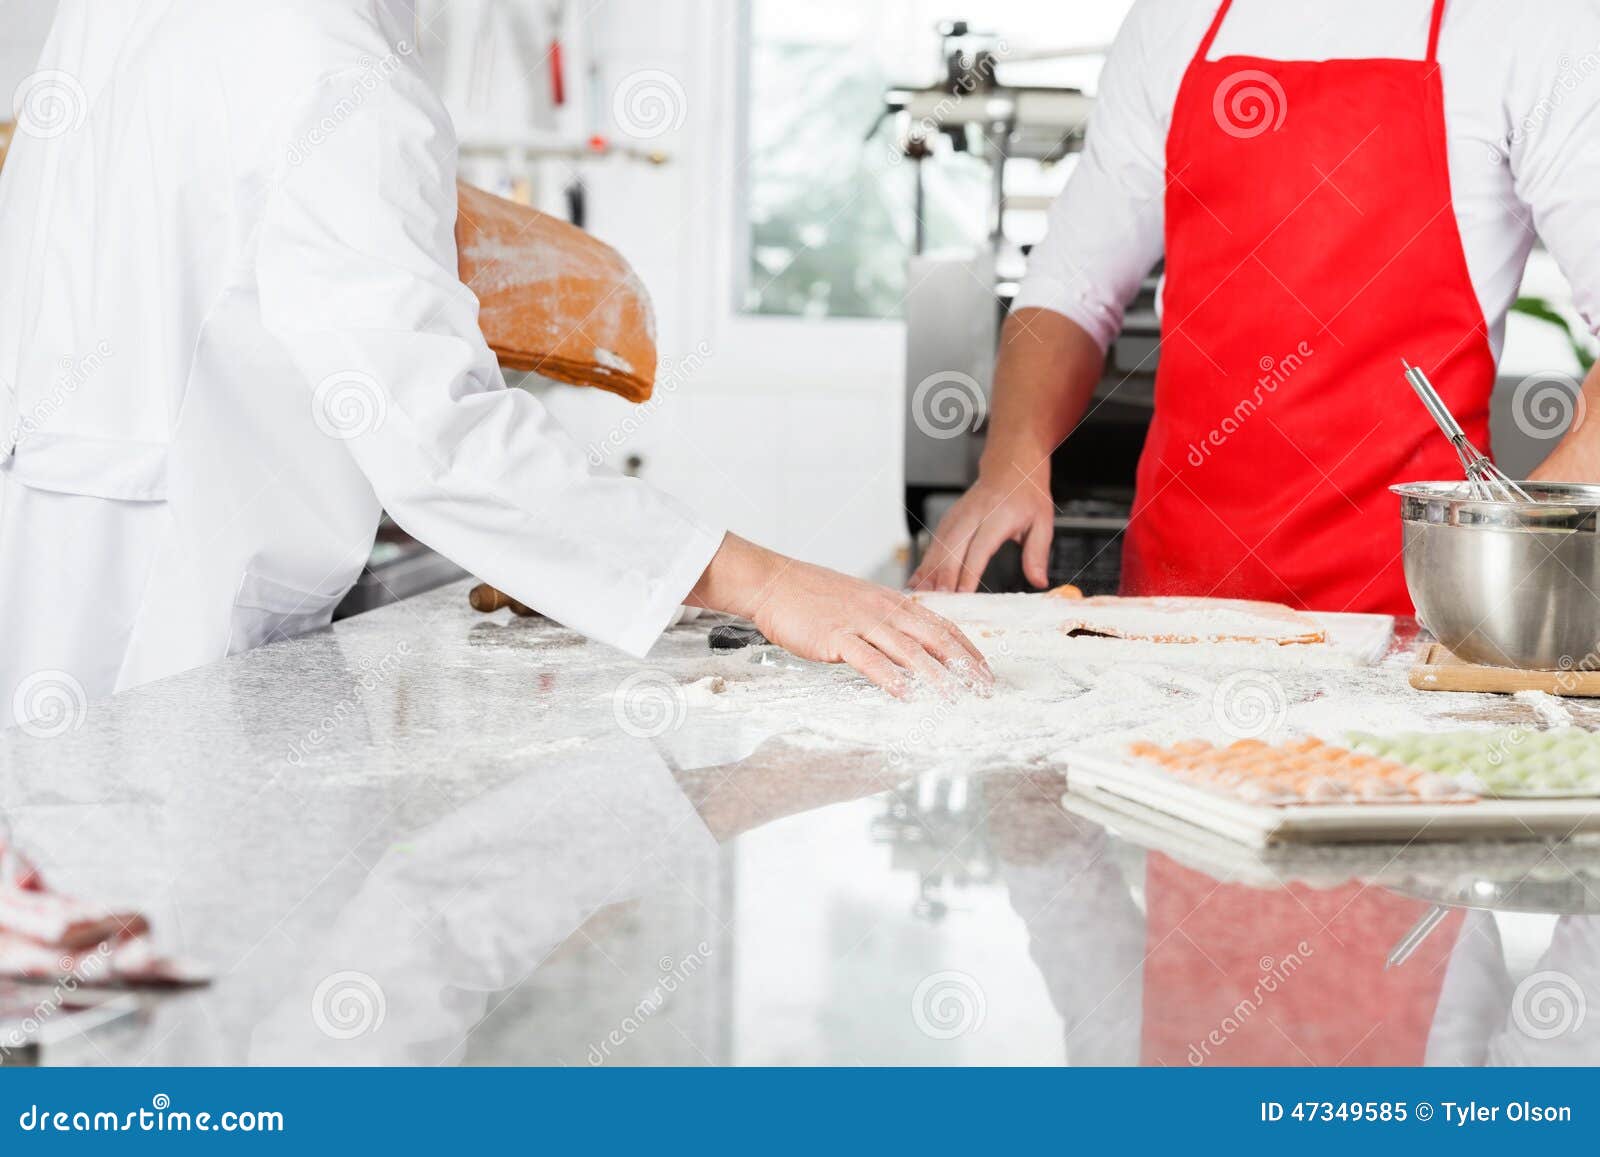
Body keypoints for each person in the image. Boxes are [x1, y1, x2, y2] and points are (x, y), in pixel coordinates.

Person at [0, 0, 989, 725]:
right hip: (176, 621)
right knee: (173, 970)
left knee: (82, 972)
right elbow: (437, 432)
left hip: (61, 574)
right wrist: (765, 582)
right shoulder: (329, 55)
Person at [912, 0, 1600, 611]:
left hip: (1407, 622)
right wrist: (1013, 458)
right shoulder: (1173, 19)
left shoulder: (1529, 22)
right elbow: (1069, 288)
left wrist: (1511, 551)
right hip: (1175, 621)